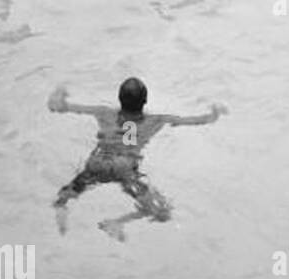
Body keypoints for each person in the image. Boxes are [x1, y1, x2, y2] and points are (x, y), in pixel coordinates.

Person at [49, 76, 226, 239]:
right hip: (125, 167)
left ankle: (61, 207)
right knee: (163, 212)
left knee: (67, 194)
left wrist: (59, 94)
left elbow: (60, 107)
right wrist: (215, 113)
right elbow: (197, 120)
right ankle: (118, 222)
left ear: (119, 98)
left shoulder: (103, 112)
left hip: (99, 161)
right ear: (145, 101)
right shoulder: (157, 120)